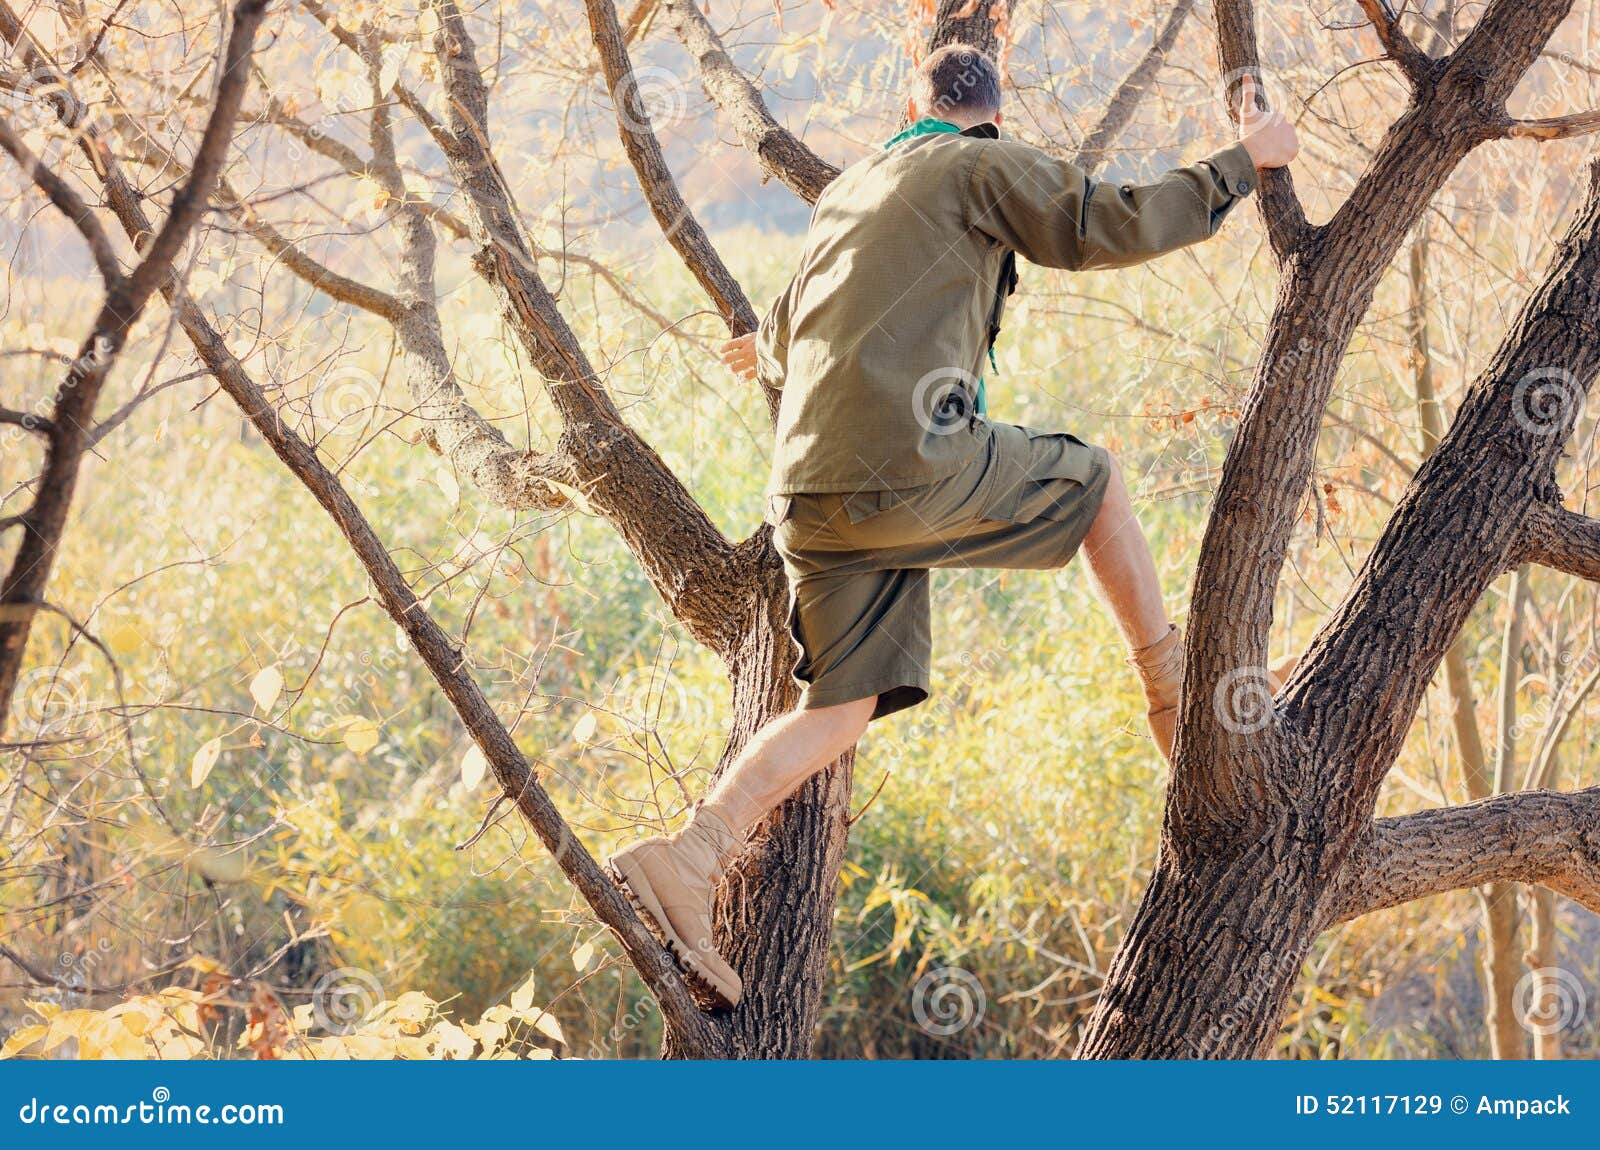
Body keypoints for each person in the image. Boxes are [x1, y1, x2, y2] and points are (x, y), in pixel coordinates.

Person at [607, 45, 1299, 1009]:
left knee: (841, 707)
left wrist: (756, 350)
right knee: (1096, 482)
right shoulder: (979, 162)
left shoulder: (846, 194)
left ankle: (688, 857)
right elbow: (1112, 223)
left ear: (911, 108)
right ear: (992, 116)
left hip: (806, 499)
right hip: (910, 468)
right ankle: (1170, 689)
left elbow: (783, 336)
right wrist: (1243, 161)